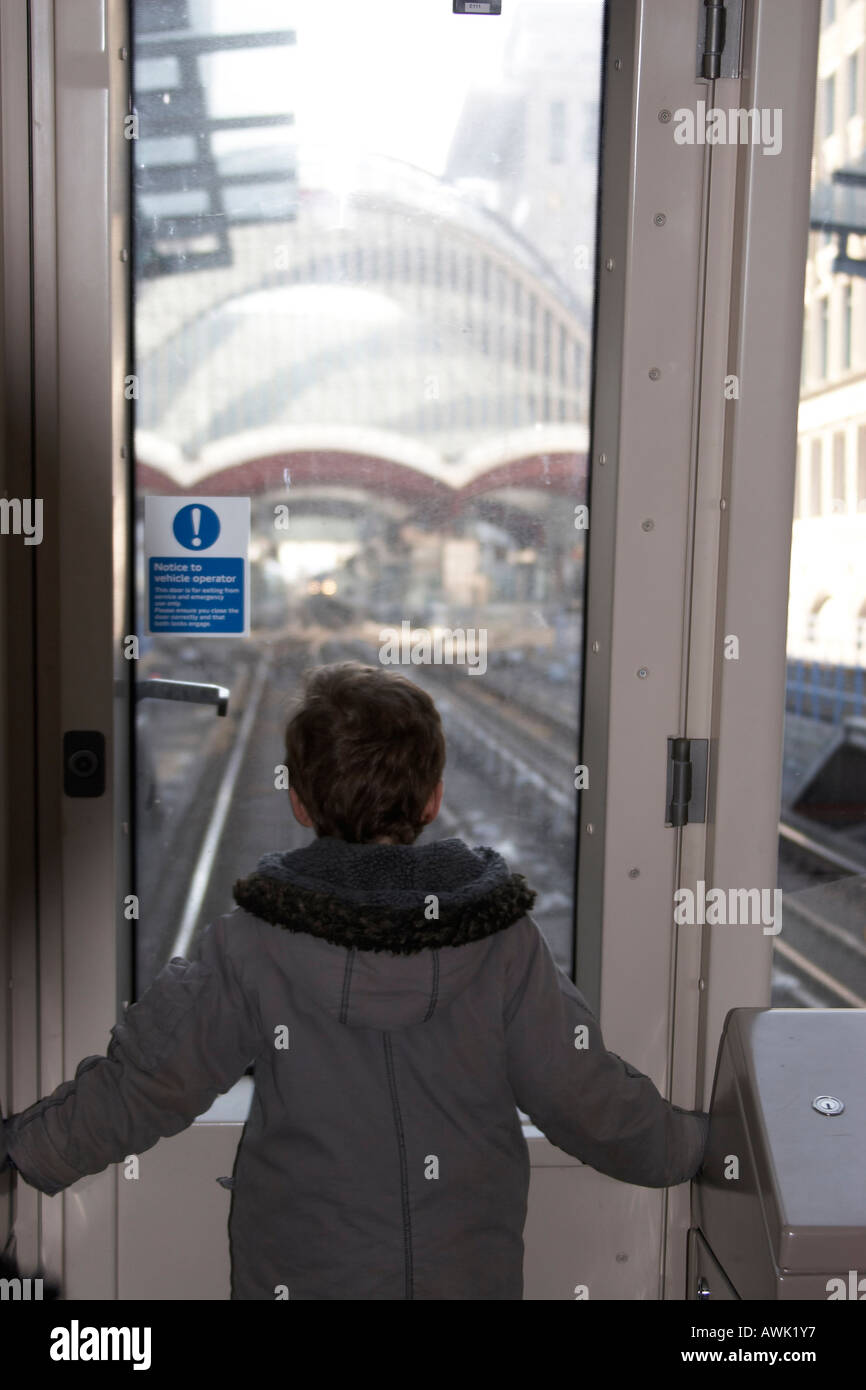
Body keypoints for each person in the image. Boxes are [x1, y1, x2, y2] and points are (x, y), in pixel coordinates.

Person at [0, 661, 708, 1300]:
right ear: (432, 799)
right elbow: (586, 1098)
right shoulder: (503, 944)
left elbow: (145, 1082)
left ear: (300, 803)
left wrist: (24, 1149)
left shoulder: (254, 942)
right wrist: (704, 1147)